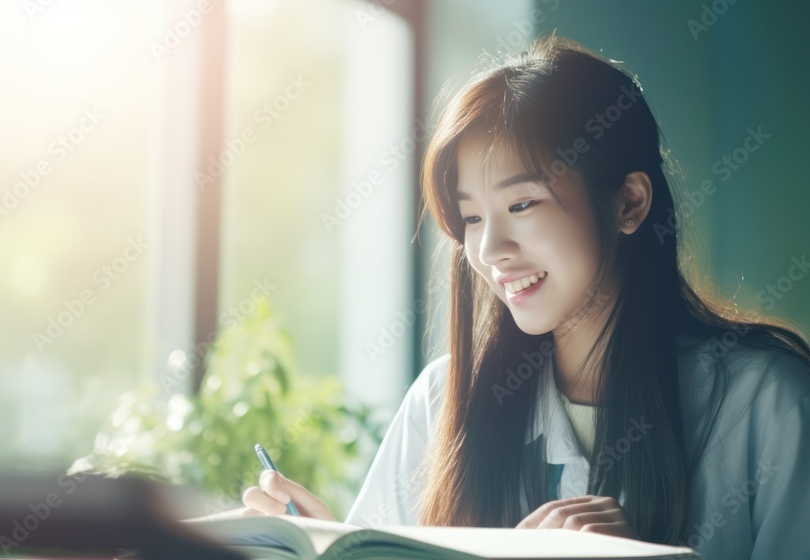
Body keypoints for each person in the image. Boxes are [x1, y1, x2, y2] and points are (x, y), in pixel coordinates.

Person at [239, 35, 810, 560]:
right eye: (469, 217)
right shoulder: (440, 402)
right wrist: (331, 545)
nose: (489, 248)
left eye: (521, 205)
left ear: (629, 203)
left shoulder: (768, 405)